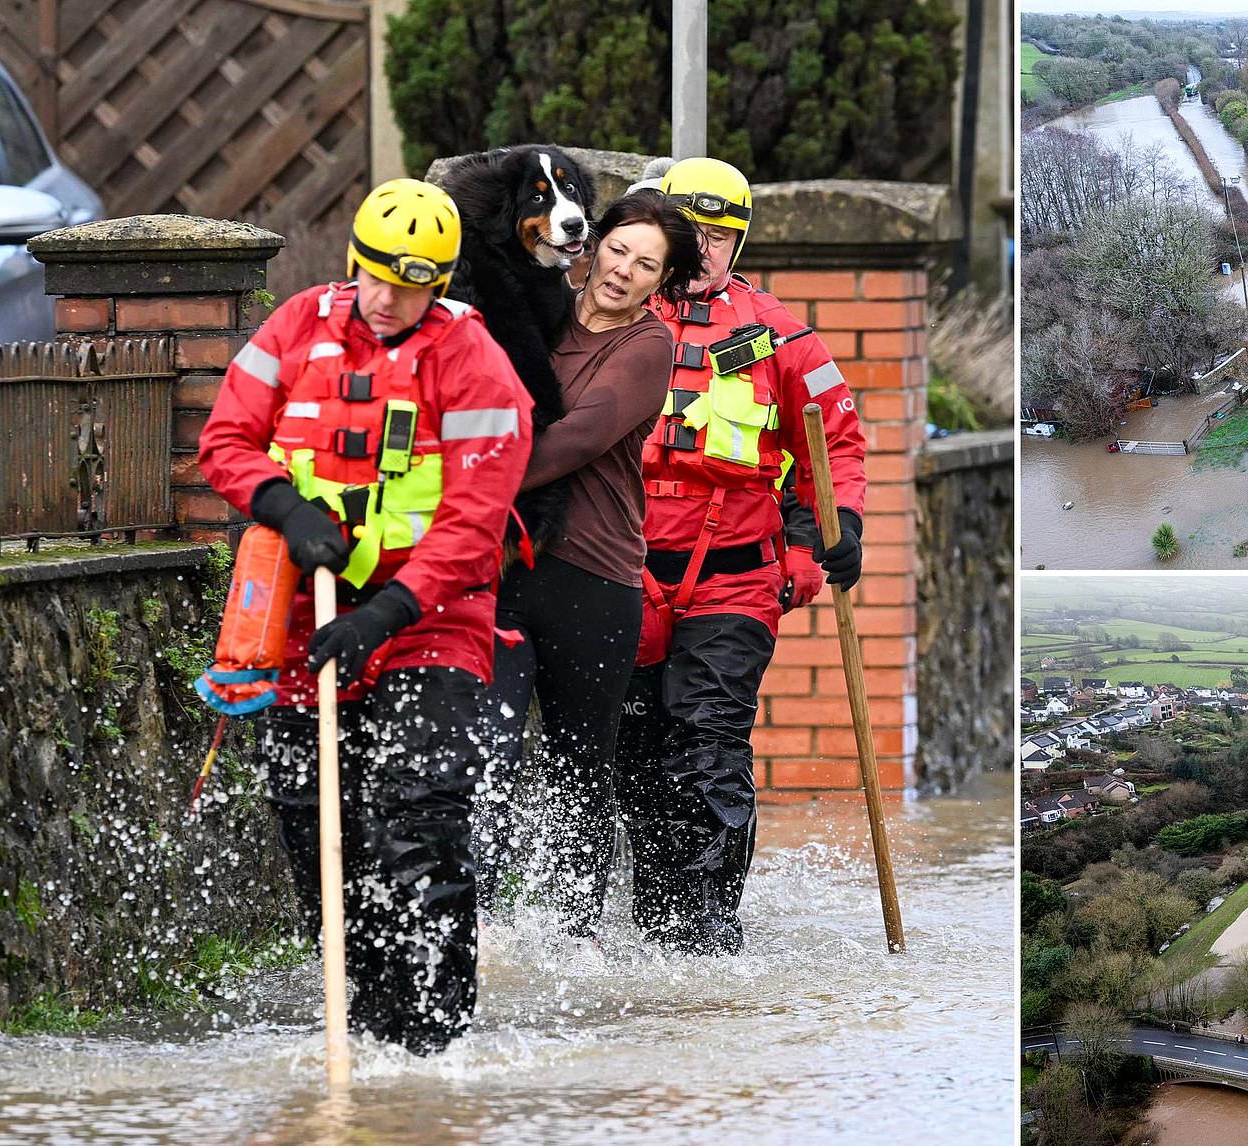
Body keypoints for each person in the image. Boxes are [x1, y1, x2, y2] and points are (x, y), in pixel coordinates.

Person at [197, 179, 532, 1054]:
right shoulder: (300, 325)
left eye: (410, 286)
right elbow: (225, 441)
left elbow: (476, 518)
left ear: (442, 284)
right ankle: (367, 1025)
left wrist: (387, 610)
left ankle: (433, 1041)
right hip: (308, 621)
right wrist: (285, 507)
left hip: (432, 623)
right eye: (376, 278)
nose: (388, 300)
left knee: (418, 822)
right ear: (354, 264)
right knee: (316, 829)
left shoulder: (473, 359)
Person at [615, 156, 868, 954]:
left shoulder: (783, 337)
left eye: (722, 237)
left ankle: (708, 934)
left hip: (732, 581)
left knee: (708, 743)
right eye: (691, 234)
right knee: (635, 758)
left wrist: (830, 532)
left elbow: (838, 445)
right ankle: (655, 924)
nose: (706, 251)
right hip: (621, 576)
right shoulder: (603, 321)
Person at [477, 190, 706, 936]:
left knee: (579, 771)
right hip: (505, 568)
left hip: (595, 579)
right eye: (617, 250)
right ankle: (475, 930)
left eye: (647, 265)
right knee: (488, 753)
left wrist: (471, 484)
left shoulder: (647, 347)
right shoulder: (535, 318)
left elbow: (580, 437)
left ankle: (571, 944)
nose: (623, 271)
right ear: (593, 245)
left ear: (660, 281)